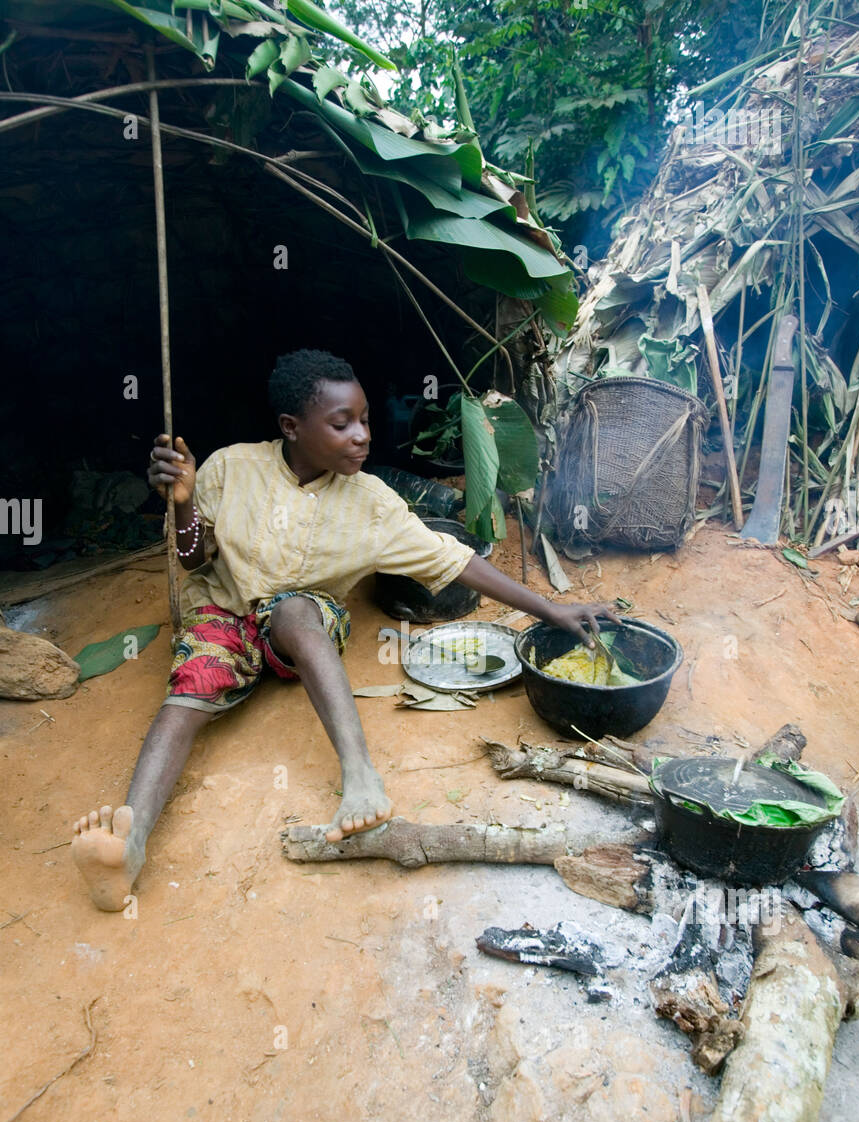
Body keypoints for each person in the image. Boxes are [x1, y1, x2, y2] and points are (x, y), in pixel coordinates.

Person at [71, 349, 615, 910]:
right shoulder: (230, 468)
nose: (362, 437)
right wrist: (184, 506)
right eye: (341, 424)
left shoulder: (373, 504)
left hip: (300, 629)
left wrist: (551, 610)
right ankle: (130, 844)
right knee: (189, 692)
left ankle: (359, 775)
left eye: (365, 420)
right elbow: (192, 558)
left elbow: (454, 560)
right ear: (292, 427)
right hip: (224, 614)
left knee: (296, 611)